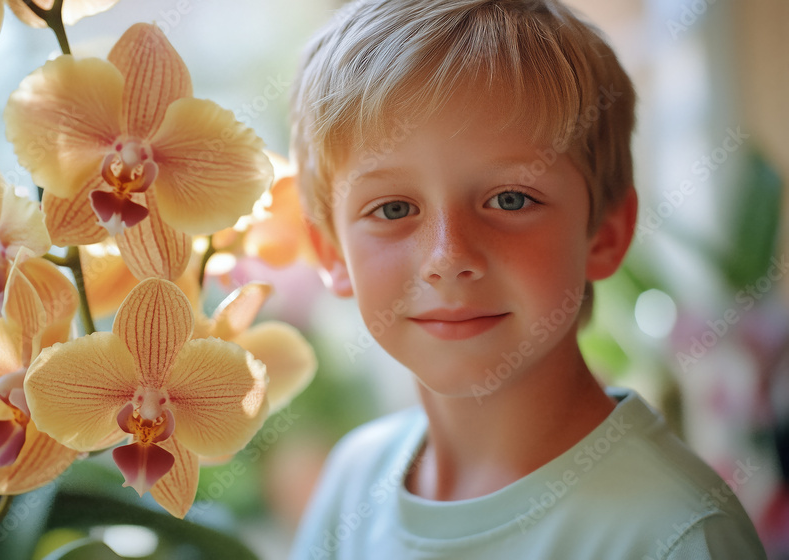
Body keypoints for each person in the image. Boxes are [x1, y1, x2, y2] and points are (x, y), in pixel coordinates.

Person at [286, 1, 768, 558]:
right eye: (393, 209)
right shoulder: (351, 482)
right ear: (331, 251)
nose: (447, 256)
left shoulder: (675, 534)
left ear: (606, 233)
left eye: (510, 199)